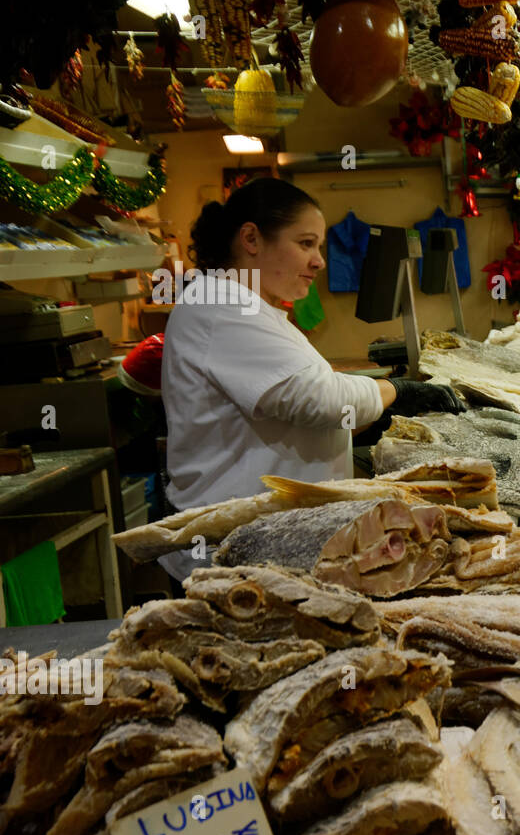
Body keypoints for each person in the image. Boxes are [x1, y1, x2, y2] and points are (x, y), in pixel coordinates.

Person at [159, 178, 463, 580]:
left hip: (272, 537)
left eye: (317, 246)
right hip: (235, 549)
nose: (319, 260)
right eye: (305, 244)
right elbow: (320, 400)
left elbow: (300, 397)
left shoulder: (251, 307)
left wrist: (381, 411)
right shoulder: (220, 307)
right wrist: (398, 391)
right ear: (251, 238)